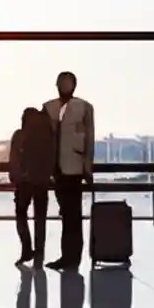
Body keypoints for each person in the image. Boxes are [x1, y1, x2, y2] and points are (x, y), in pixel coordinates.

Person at [43, 72, 95, 271]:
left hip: (74, 167)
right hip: (56, 168)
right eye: (62, 83)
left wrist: (87, 167)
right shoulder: (48, 108)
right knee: (66, 214)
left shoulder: (84, 107)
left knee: (73, 215)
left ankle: (72, 257)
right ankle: (68, 256)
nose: (65, 86)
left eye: (68, 83)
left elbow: (89, 138)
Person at [10, 107, 56, 266]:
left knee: (21, 214)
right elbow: (51, 159)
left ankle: (26, 249)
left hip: (24, 183)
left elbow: (14, 159)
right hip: (42, 182)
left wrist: (17, 176)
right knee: (40, 218)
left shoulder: (19, 135)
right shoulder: (47, 137)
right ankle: (39, 252)